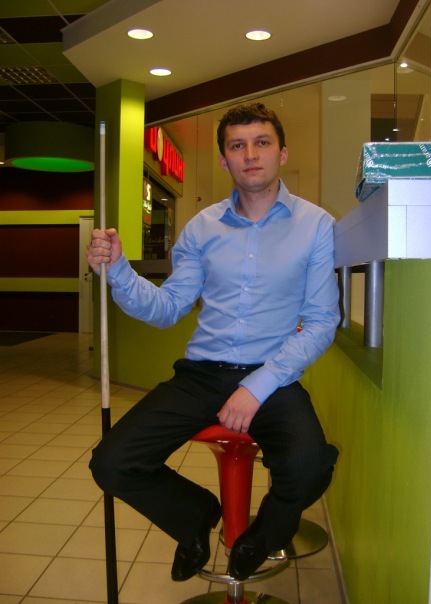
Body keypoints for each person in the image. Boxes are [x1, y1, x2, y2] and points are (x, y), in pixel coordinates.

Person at [87, 102, 340, 583]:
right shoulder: (201, 228)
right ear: (224, 160)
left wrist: (256, 388)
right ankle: (195, 517)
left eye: (262, 143)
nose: (251, 155)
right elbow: (167, 308)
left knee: (310, 466)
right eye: (237, 146)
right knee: (112, 463)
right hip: (201, 375)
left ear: (282, 153)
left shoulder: (316, 225)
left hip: (273, 376)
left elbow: (322, 322)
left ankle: (260, 539)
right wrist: (118, 269)